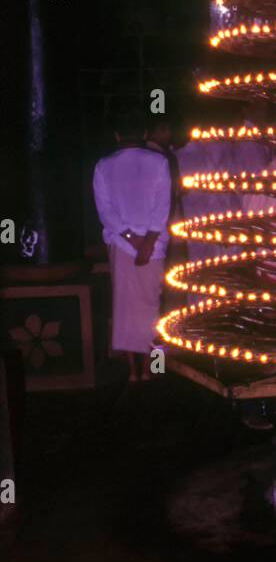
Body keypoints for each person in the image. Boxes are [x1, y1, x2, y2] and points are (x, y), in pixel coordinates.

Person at [93, 105, 172, 382]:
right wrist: (148, 242)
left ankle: (134, 372)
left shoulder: (103, 165)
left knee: (124, 308)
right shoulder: (159, 163)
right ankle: (154, 368)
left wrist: (132, 239)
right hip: (153, 247)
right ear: (145, 132)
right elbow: (162, 209)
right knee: (152, 306)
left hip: (122, 246)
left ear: (116, 135)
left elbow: (106, 212)